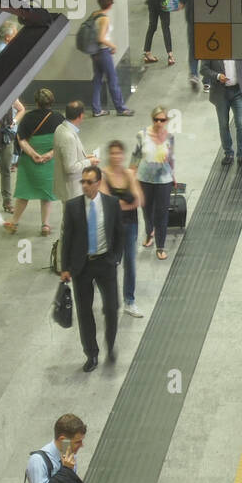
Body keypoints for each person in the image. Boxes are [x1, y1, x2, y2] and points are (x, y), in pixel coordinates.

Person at [60, 166, 124, 370]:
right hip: (82, 265)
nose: (85, 186)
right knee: (84, 311)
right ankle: (92, 354)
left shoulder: (112, 204)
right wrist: (65, 268)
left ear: (98, 182)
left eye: (89, 182)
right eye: (83, 182)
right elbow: (67, 238)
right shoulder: (72, 207)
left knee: (112, 308)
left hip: (105, 263)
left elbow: (119, 233)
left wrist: (116, 258)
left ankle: (111, 345)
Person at [7, 88, 61, 236]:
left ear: (36, 102)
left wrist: (33, 155)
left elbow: (21, 140)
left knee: (23, 194)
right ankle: (45, 225)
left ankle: (14, 223)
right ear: (51, 101)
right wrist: (49, 155)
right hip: (49, 162)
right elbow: (62, 141)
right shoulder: (58, 118)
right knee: (46, 195)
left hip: (29, 162)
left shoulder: (28, 118)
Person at [101, 139, 145, 318]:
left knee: (130, 264)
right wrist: (127, 203)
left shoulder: (129, 175)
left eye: (119, 153)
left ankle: (129, 301)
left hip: (130, 225)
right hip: (111, 227)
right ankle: (109, 300)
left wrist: (119, 204)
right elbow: (106, 203)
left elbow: (139, 200)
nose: (116, 156)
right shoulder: (104, 175)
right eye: (113, 153)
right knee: (110, 264)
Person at [132, 106, 176, 261]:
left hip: (164, 179)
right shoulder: (142, 135)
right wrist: (131, 175)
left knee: (162, 213)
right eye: (156, 119)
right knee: (146, 210)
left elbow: (172, 157)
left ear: (166, 121)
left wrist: (173, 174)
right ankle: (149, 231)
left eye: (162, 120)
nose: (158, 122)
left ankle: (160, 246)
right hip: (144, 178)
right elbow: (135, 156)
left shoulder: (169, 136)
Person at [88, 0, 135, 117]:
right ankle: (121, 108)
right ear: (110, 4)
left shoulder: (94, 14)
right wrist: (113, 46)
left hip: (94, 52)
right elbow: (101, 38)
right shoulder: (104, 19)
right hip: (103, 52)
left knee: (97, 80)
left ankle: (96, 109)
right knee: (112, 80)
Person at [203, 57, 242, 168]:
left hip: (238, 92)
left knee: (241, 124)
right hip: (220, 93)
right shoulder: (212, 49)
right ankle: (228, 153)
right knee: (223, 125)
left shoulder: (239, 45)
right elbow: (204, 69)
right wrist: (217, 76)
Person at [182, 0, 216, 91]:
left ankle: (194, 74)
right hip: (209, 23)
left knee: (194, 49)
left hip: (193, 23)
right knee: (208, 50)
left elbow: (180, 5)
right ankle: (207, 81)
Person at [53, 101, 98, 202]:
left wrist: (85, 157)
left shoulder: (60, 128)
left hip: (67, 188)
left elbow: (69, 155)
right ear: (81, 116)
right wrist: (89, 162)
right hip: (72, 190)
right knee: (72, 217)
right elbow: (70, 167)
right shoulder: (68, 136)